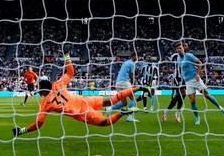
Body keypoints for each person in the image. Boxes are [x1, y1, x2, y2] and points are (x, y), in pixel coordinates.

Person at [13, 56, 147, 136]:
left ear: (43, 92)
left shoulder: (45, 104)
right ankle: (139, 88)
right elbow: (71, 72)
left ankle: (123, 113)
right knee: (112, 100)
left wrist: (23, 130)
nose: (40, 93)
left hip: (82, 113)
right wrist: (67, 56)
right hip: (85, 100)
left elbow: (38, 124)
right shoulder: (58, 84)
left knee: (105, 123)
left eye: (40, 91)